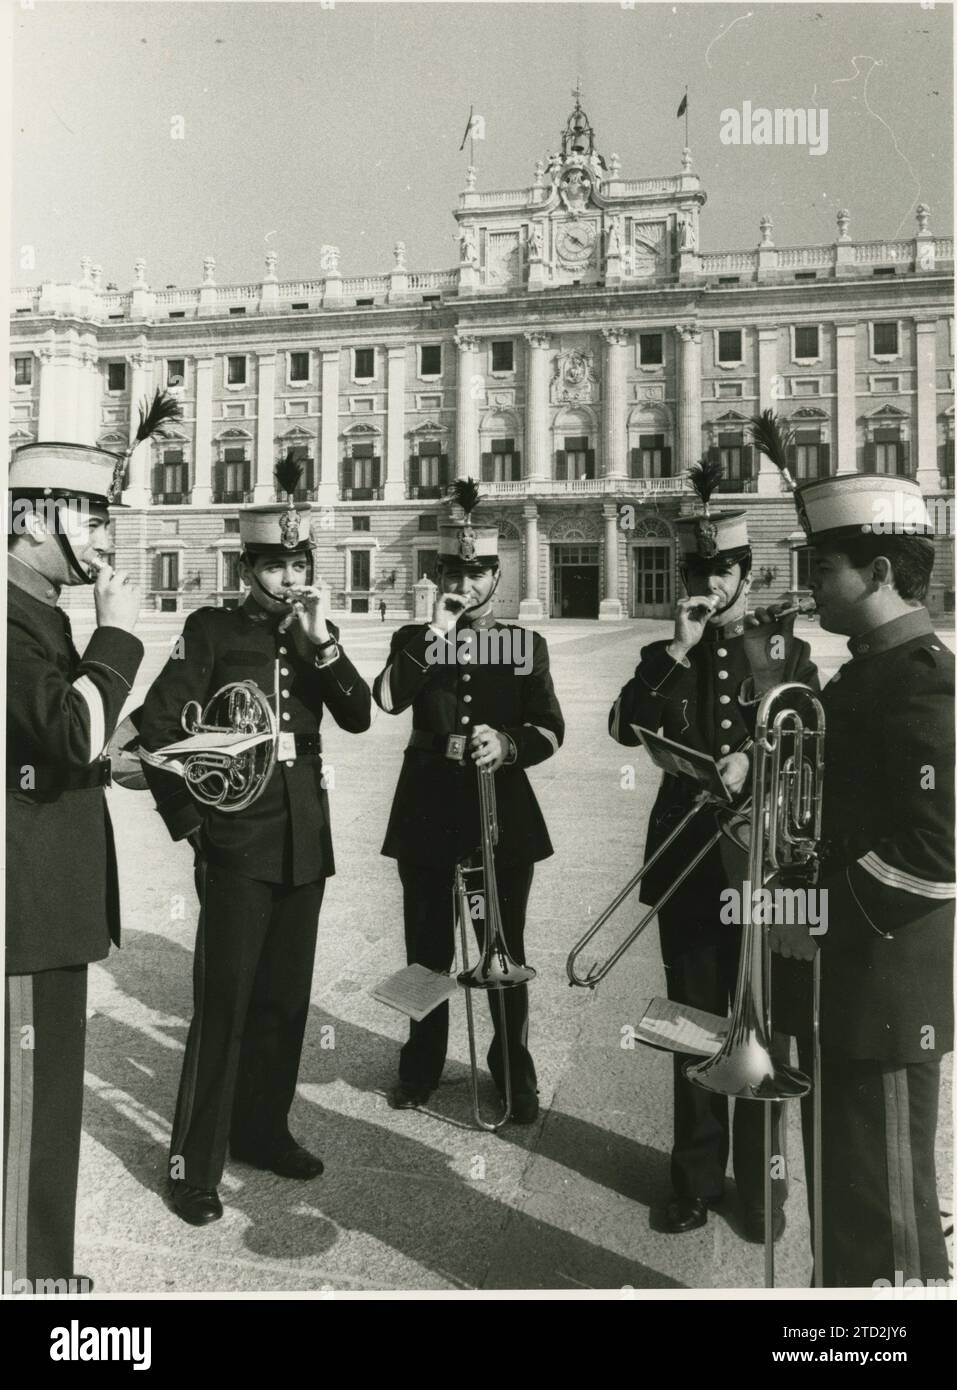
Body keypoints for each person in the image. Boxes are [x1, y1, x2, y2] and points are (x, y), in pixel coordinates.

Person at [139, 459, 371, 1226]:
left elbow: (361, 716)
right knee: (224, 1006)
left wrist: (323, 645)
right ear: (249, 568)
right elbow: (156, 732)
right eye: (275, 564)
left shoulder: (315, 636)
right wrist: (196, 827)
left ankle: (262, 1130)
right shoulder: (211, 629)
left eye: (299, 563)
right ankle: (191, 1164)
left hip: (305, 845)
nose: (288, 577)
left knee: (282, 1003)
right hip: (238, 845)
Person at [609, 463, 818, 1241]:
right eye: (695, 571)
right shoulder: (668, 651)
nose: (706, 583)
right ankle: (694, 1178)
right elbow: (626, 726)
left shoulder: (780, 649)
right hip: (687, 865)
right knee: (694, 1025)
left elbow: (811, 740)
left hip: (760, 866)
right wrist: (674, 646)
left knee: (760, 1028)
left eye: (719, 571)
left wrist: (756, 763)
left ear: (743, 573)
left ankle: (765, 1189)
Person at [771, 473, 954, 1287]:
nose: (810, 585)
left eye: (823, 568)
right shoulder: (860, 673)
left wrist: (819, 908)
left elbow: (937, 851)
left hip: (883, 992)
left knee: (886, 1229)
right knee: (845, 1203)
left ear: (880, 573)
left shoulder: (918, 677)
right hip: (848, 986)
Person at [373, 479, 564, 1124]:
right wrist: (437, 630)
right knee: (425, 949)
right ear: (440, 574)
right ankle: (420, 1066)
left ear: (496, 575)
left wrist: (508, 745)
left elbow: (549, 728)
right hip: (426, 809)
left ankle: (514, 1074)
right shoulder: (414, 637)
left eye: (480, 573)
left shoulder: (523, 644)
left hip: (500, 817)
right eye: (456, 572)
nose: (469, 583)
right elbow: (387, 699)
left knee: (502, 948)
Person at [5, 441, 144, 1285]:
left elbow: (54, 745)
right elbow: (66, 730)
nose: (101, 533)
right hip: (23, 895)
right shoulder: (9, 611)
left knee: (47, 1088)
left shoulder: (39, 606)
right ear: (31, 516)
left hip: (48, 885)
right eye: (88, 513)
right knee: (30, 1096)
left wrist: (118, 756)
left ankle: (35, 1261)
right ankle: (24, 1277)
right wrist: (119, 634)